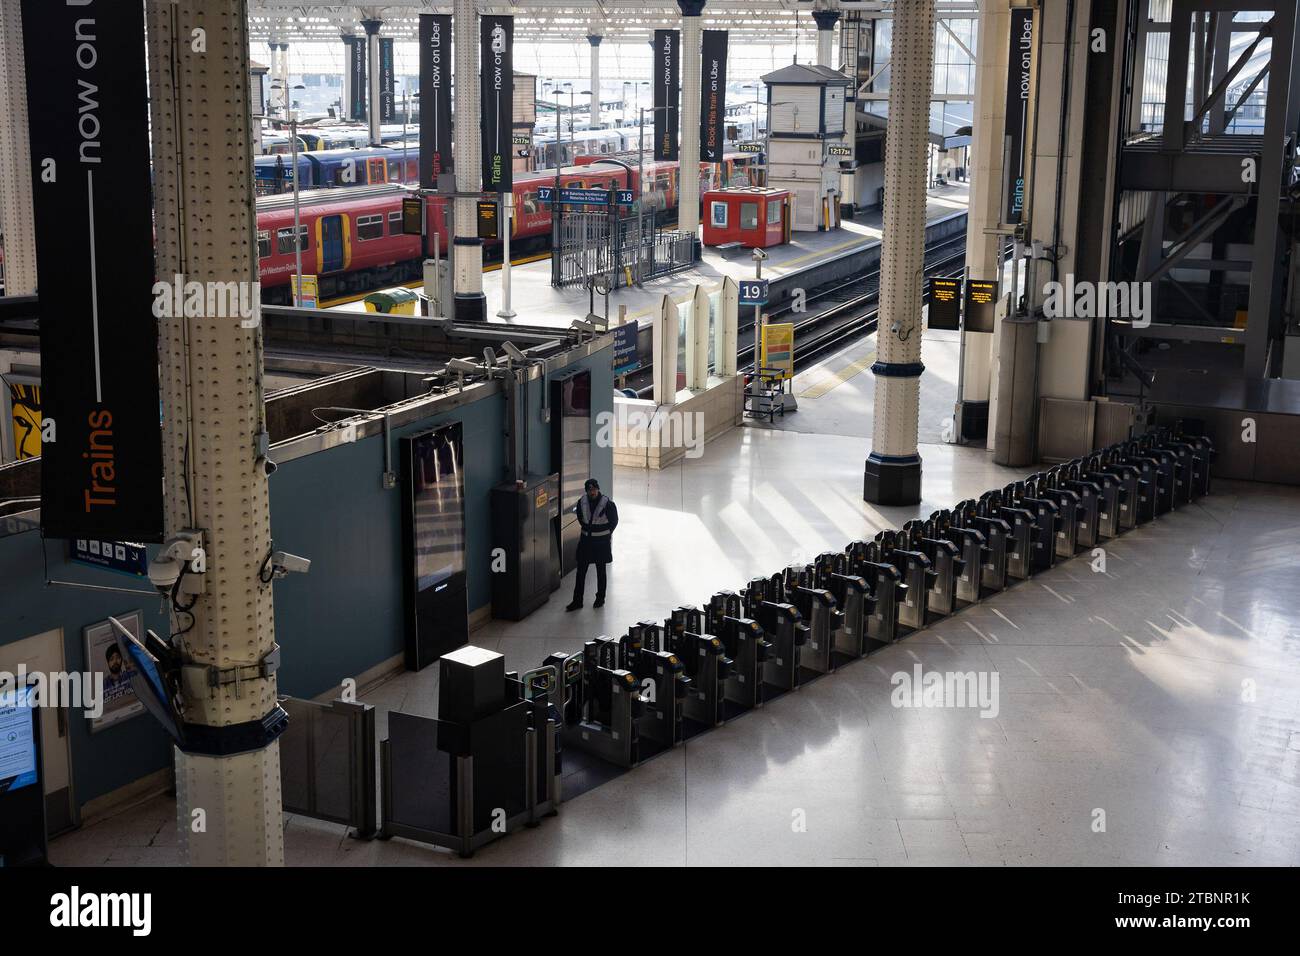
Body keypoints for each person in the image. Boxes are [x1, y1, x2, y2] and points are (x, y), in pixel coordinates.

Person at [567, 478, 618, 611]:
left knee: (601, 572)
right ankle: (577, 601)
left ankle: (600, 599)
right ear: (587, 491)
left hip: (601, 543)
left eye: (594, 489)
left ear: (598, 489)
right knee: (580, 572)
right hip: (586, 543)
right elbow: (580, 517)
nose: (592, 492)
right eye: (590, 490)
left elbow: (614, 521)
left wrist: (606, 533)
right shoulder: (582, 502)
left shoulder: (607, 503)